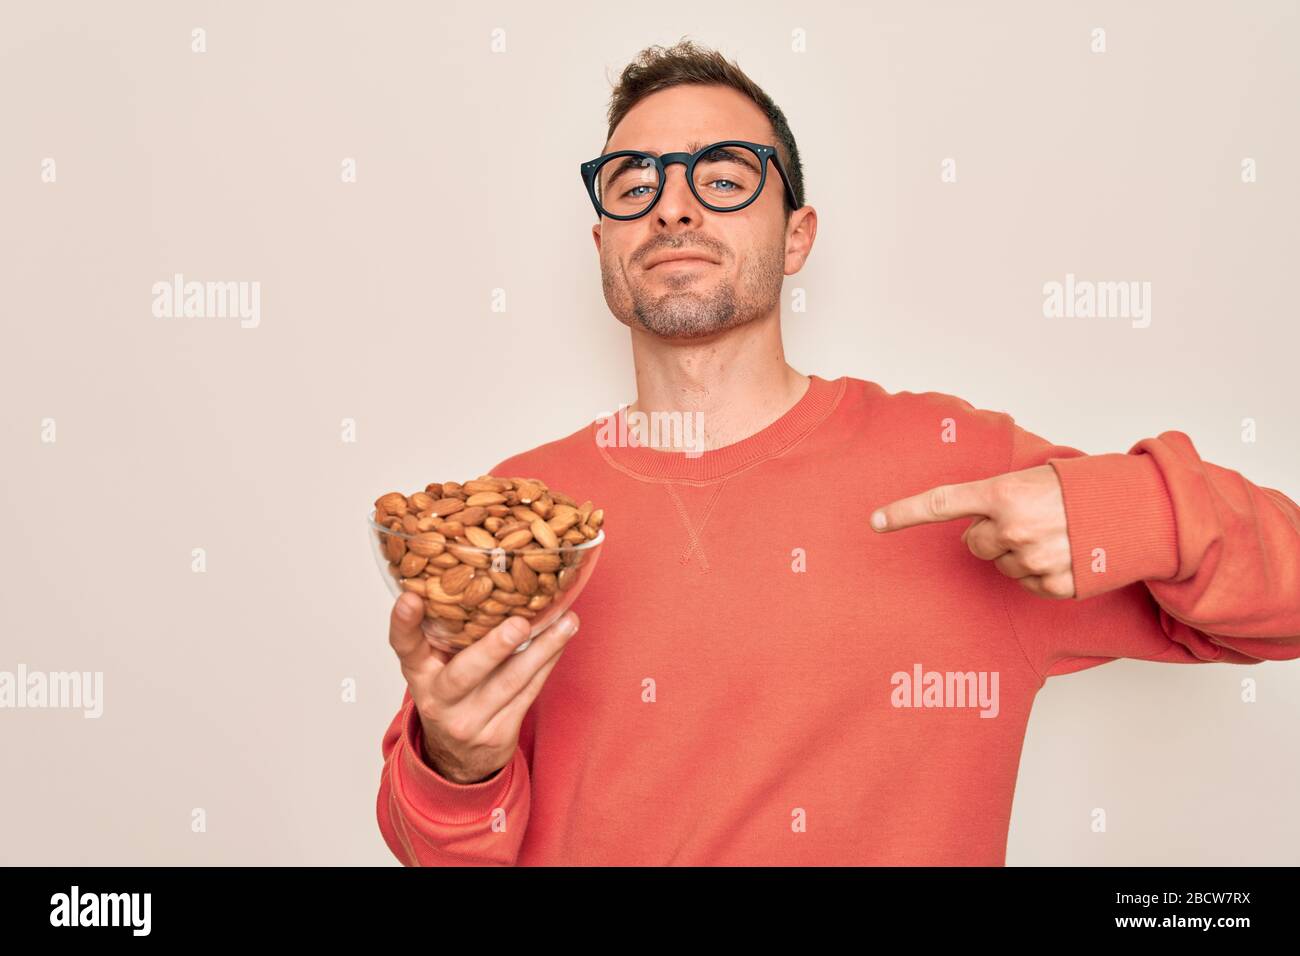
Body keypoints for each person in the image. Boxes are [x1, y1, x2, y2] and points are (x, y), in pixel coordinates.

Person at [376, 40, 1300, 866]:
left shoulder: (962, 473)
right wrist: (455, 764)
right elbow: (442, 854)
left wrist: (1125, 512)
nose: (674, 208)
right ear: (604, 241)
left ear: (797, 237)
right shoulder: (520, 515)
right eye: (634, 185)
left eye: (726, 177)